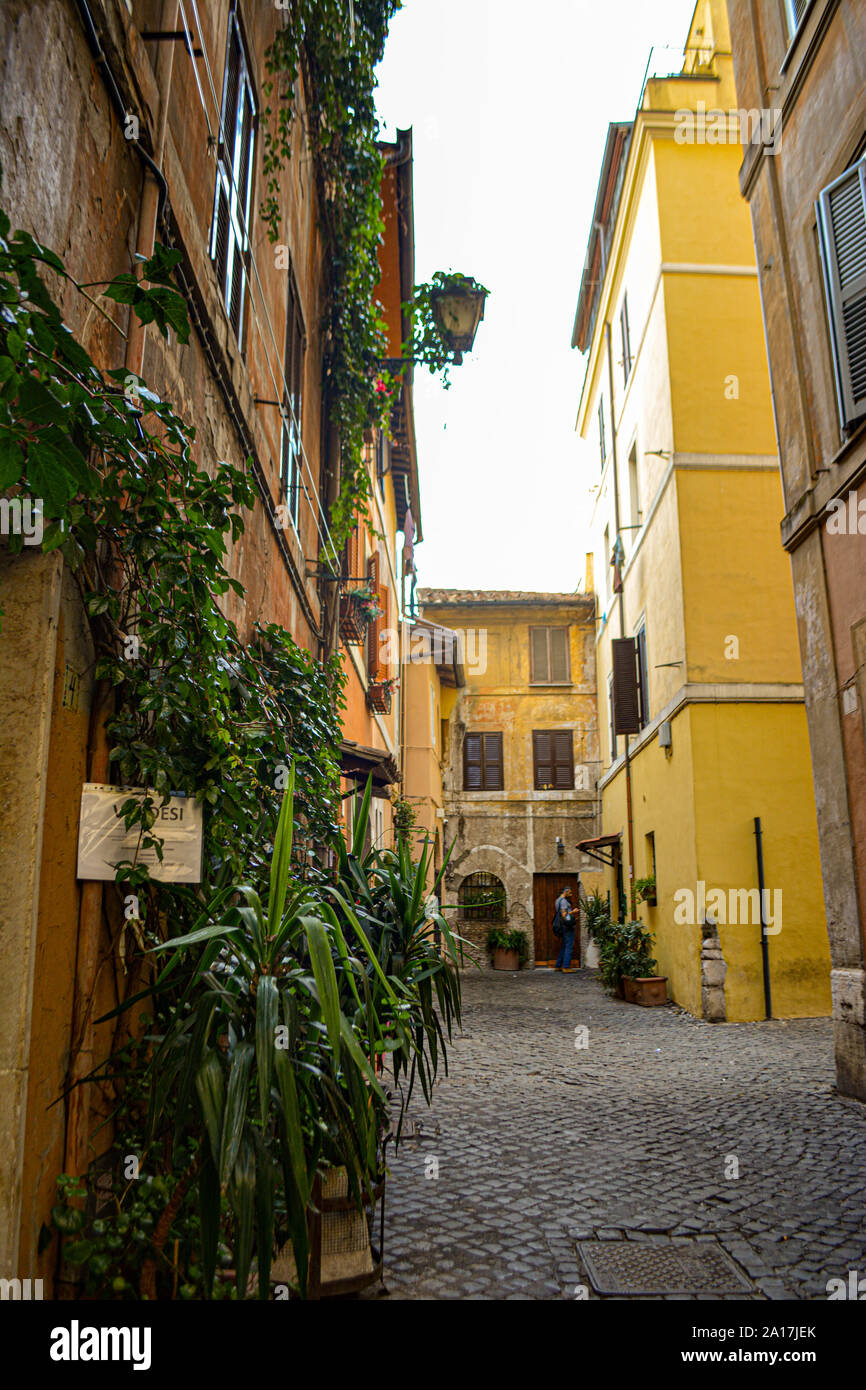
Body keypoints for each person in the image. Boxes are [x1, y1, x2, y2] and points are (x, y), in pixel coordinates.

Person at [554, 887, 577, 973]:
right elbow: (564, 915)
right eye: (570, 893)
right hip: (567, 926)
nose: (571, 894)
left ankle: (558, 965)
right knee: (569, 946)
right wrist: (573, 912)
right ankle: (566, 967)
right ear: (565, 892)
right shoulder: (563, 901)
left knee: (564, 946)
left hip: (562, 926)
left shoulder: (557, 900)